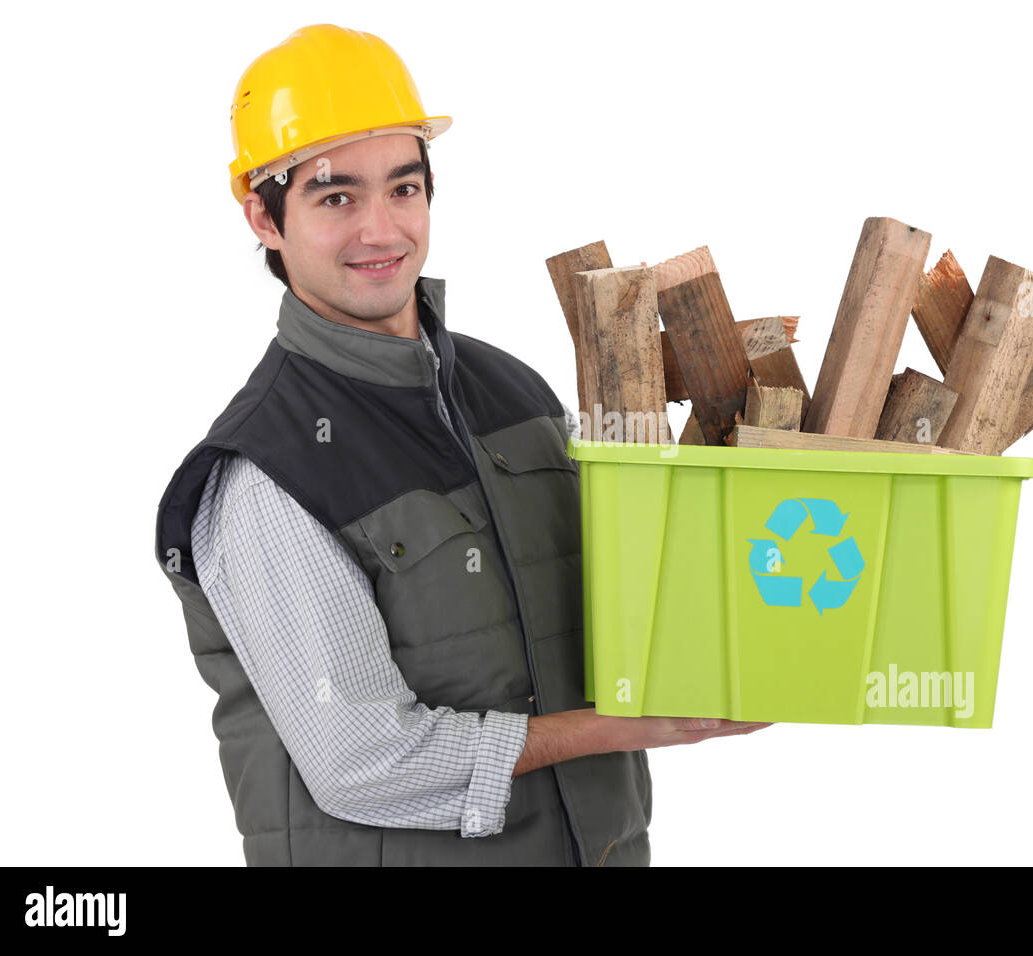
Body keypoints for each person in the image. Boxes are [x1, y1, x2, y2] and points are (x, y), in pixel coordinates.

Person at [153, 23, 770, 867]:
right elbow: (362, 762)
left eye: (403, 189)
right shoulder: (268, 469)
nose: (382, 228)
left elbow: (626, 600)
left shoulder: (511, 391)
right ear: (264, 214)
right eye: (336, 198)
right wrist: (615, 729)